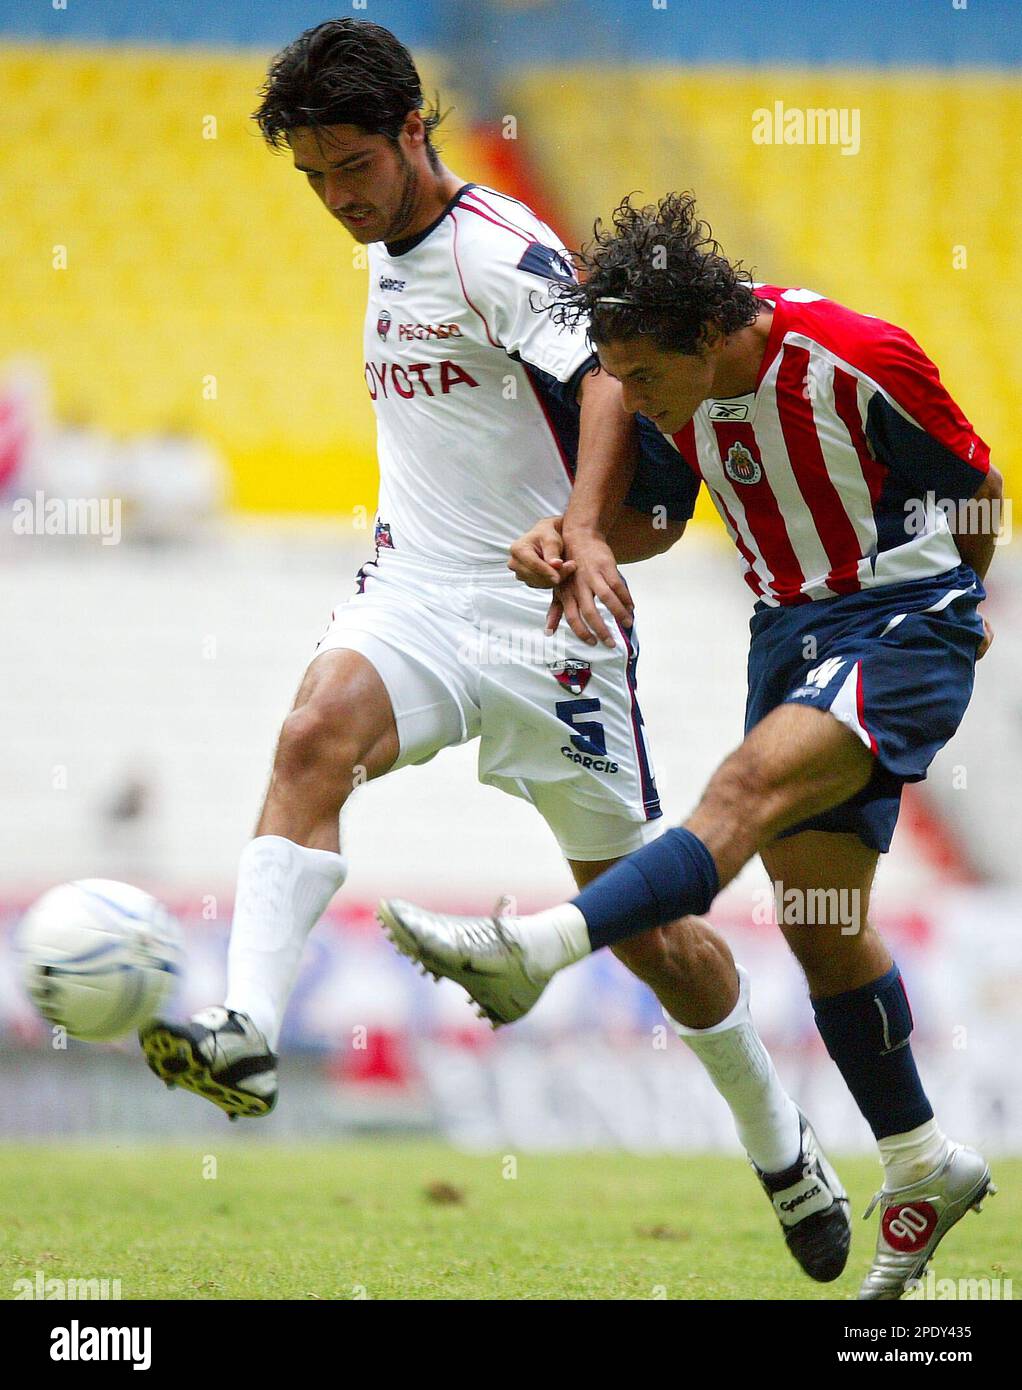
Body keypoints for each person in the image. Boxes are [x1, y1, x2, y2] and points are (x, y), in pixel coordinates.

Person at [138, 25, 850, 1282]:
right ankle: (248, 1024)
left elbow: (612, 384)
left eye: (352, 164)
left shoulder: (499, 247)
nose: (337, 197)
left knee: (651, 932)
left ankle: (778, 1141)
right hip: (415, 593)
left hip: (541, 621)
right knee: (310, 737)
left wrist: (581, 534)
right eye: (313, 176)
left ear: (416, 130)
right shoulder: (383, 245)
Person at [378, 191, 1002, 1299]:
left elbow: (974, 489)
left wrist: (947, 608)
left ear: (709, 335)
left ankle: (542, 950)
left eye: (644, 375)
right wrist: (567, 540)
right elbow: (656, 524)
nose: (630, 396)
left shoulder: (857, 357)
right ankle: (919, 1161)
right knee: (820, 924)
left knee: (741, 788)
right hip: (787, 634)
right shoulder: (670, 385)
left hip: (899, 619)